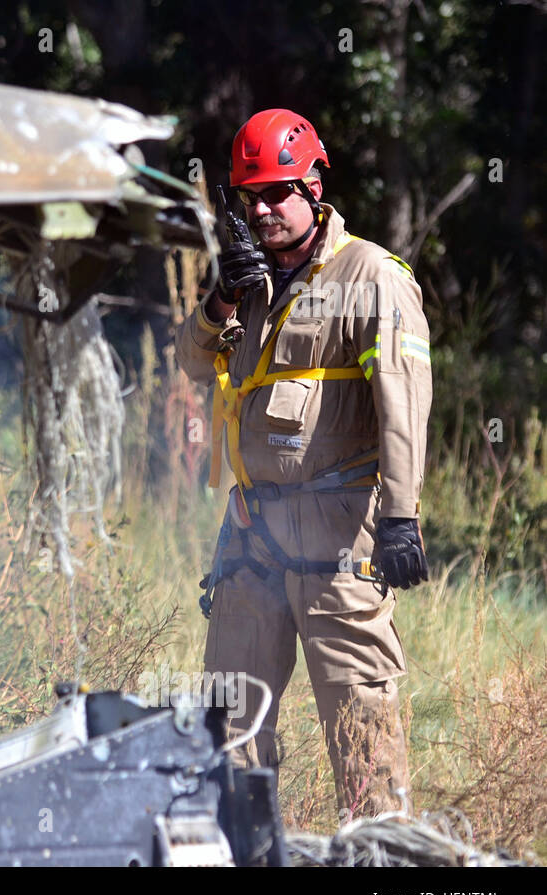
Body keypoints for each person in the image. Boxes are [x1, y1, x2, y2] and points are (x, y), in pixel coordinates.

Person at [175, 108, 432, 818]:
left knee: (363, 739)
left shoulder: (371, 276)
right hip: (251, 541)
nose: (262, 210)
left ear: (316, 184)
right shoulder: (249, 283)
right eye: (249, 196)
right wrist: (223, 295)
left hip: (337, 546)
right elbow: (191, 361)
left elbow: (402, 406)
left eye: (277, 192)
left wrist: (402, 518)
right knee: (228, 733)